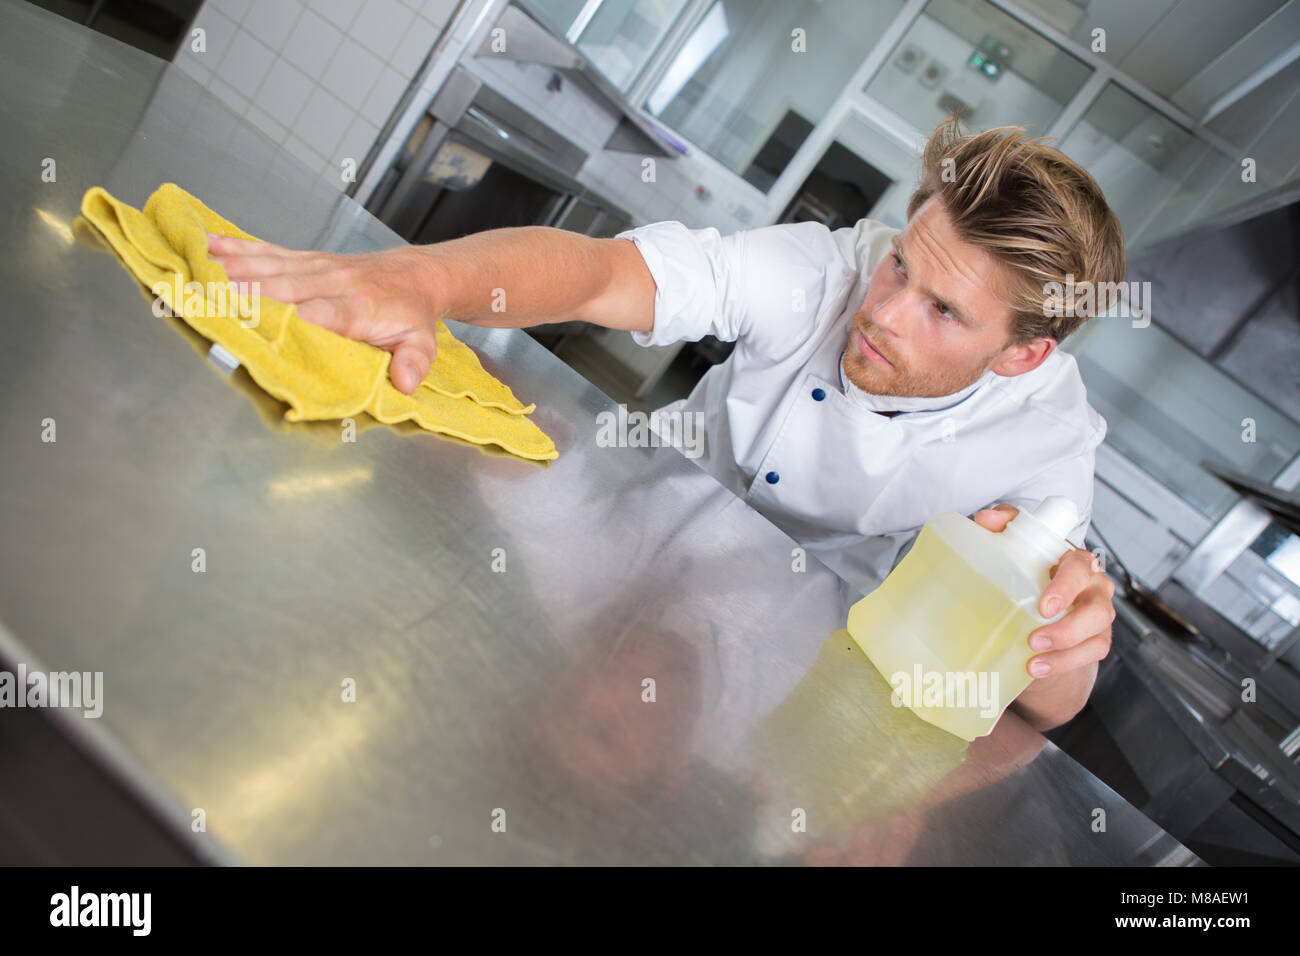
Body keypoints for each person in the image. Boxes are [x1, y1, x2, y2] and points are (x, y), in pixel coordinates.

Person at [207, 117, 1121, 732]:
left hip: (780, 648)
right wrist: (423, 283)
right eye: (898, 269)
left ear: (1021, 355)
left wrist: (1067, 646)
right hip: (624, 517)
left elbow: (1045, 699)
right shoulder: (824, 271)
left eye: (943, 313)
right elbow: (603, 274)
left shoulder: (1043, 448)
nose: (883, 313)